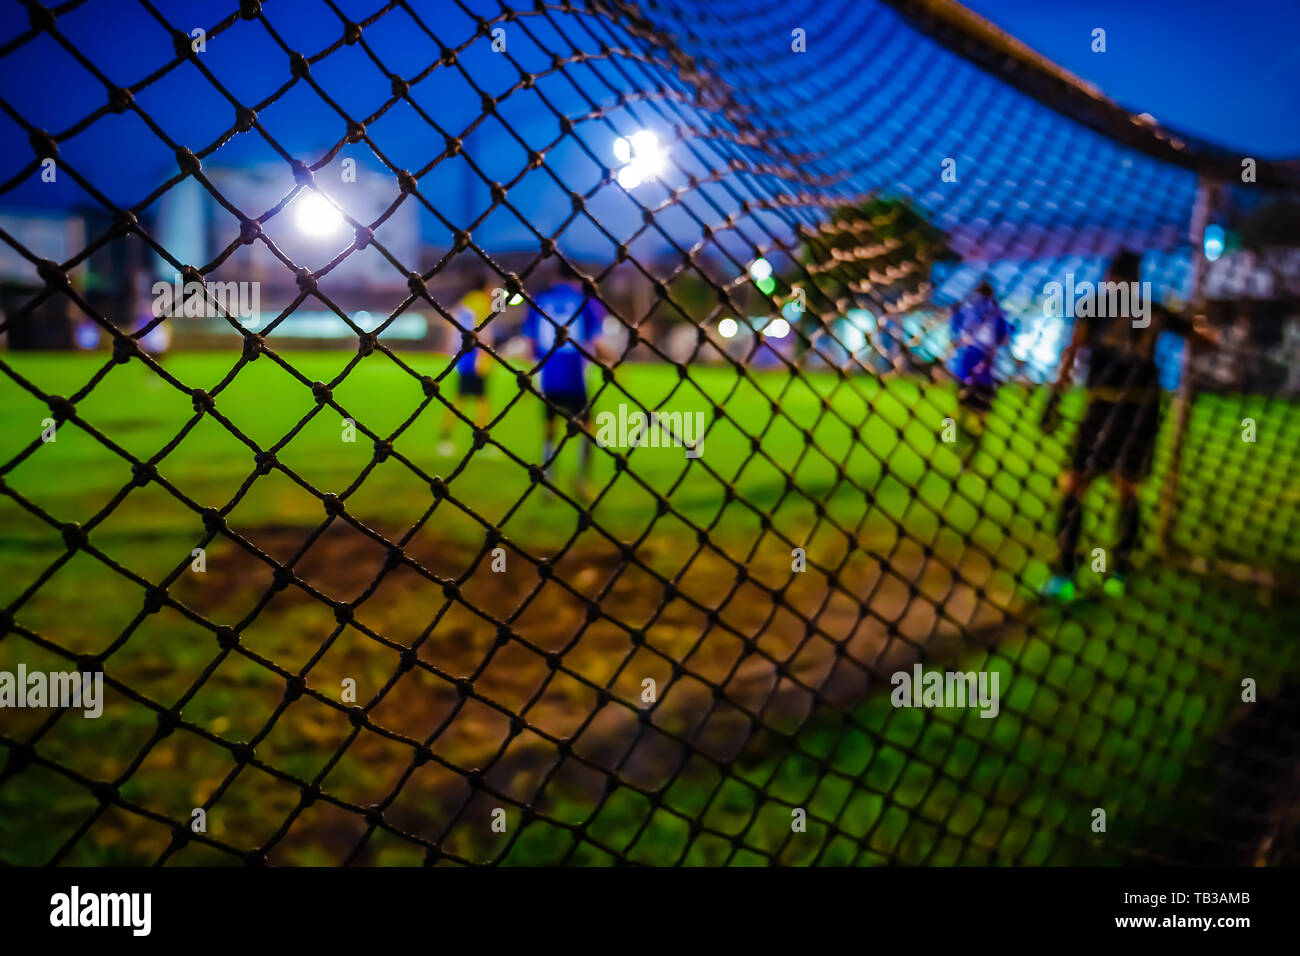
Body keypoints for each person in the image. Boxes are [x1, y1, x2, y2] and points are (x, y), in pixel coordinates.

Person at [1041, 250, 1217, 601]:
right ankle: (1119, 571)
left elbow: (1074, 351)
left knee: (1075, 483)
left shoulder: (1095, 305)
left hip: (1104, 405)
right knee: (1127, 487)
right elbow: (1205, 341)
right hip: (1141, 409)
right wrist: (1195, 318)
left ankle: (1065, 574)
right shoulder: (1154, 308)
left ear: (1110, 275)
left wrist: (1055, 398)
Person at [521, 259, 607, 498]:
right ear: (575, 278)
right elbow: (597, 340)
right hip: (574, 374)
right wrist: (612, 361)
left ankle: (547, 481)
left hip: (547, 374)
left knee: (550, 427)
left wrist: (528, 375)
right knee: (588, 427)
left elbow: (529, 343)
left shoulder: (539, 301)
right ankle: (581, 480)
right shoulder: (585, 301)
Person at [948, 280, 1011, 462]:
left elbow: (955, 333)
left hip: (965, 367)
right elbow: (1002, 338)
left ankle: (949, 438)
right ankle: (971, 450)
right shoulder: (996, 314)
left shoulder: (966, 309)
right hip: (984, 372)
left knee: (960, 409)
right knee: (981, 415)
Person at [437, 272, 496, 457]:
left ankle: (447, 438)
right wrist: (484, 356)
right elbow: (484, 333)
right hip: (475, 357)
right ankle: (474, 439)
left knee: (467, 398)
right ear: (484, 287)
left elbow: (450, 326)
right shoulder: (481, 303)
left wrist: (451, 349)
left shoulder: (465, 302)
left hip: (462, 357)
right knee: (479, 399)